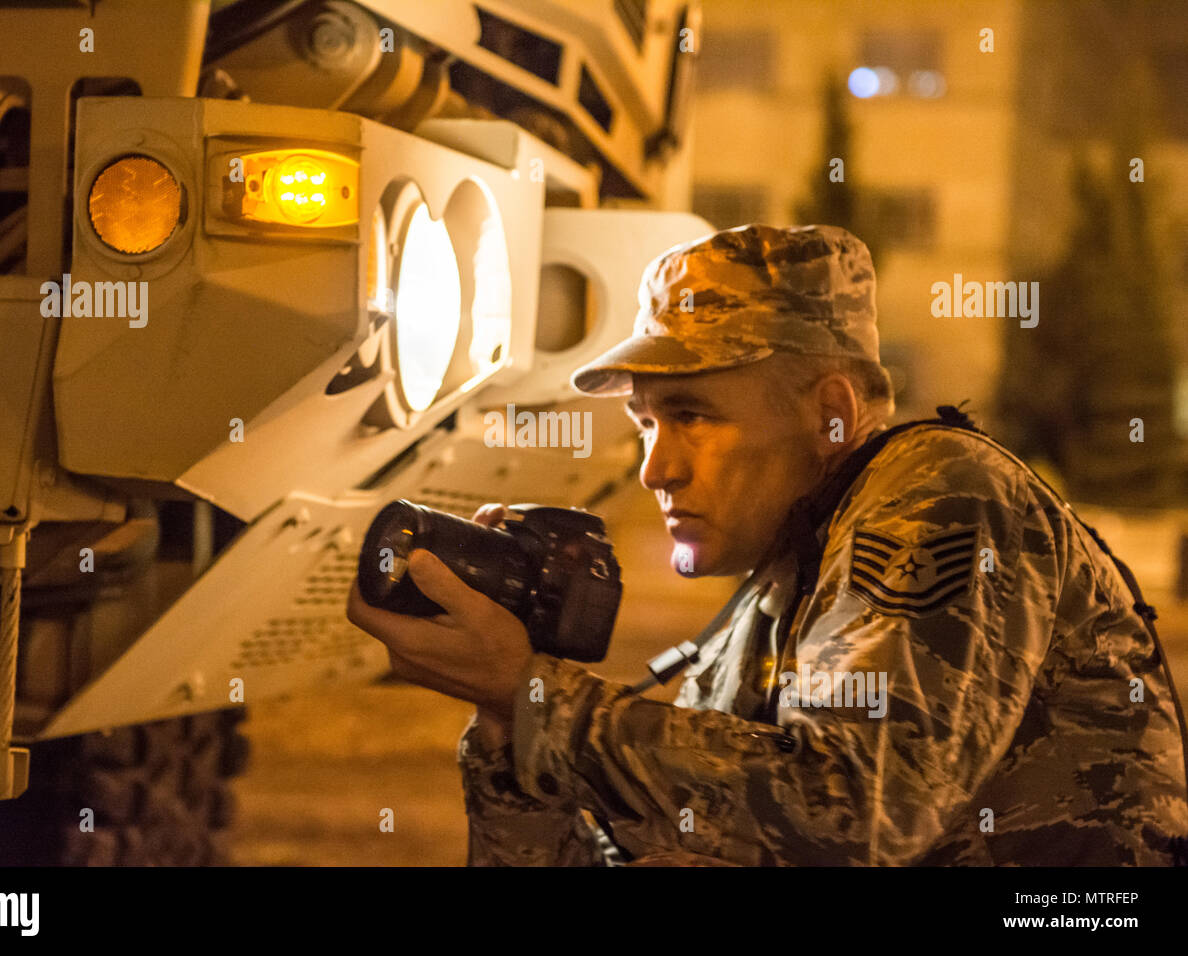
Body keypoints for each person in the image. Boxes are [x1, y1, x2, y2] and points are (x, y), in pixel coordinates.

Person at [347, 223, 1188, 865]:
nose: (656, 470)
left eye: (693, 417)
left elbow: (861, 811)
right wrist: (505, 731)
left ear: (829, 412)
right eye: (645, 422)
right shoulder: (775, 594)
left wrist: (539, 699)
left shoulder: (943, 490)